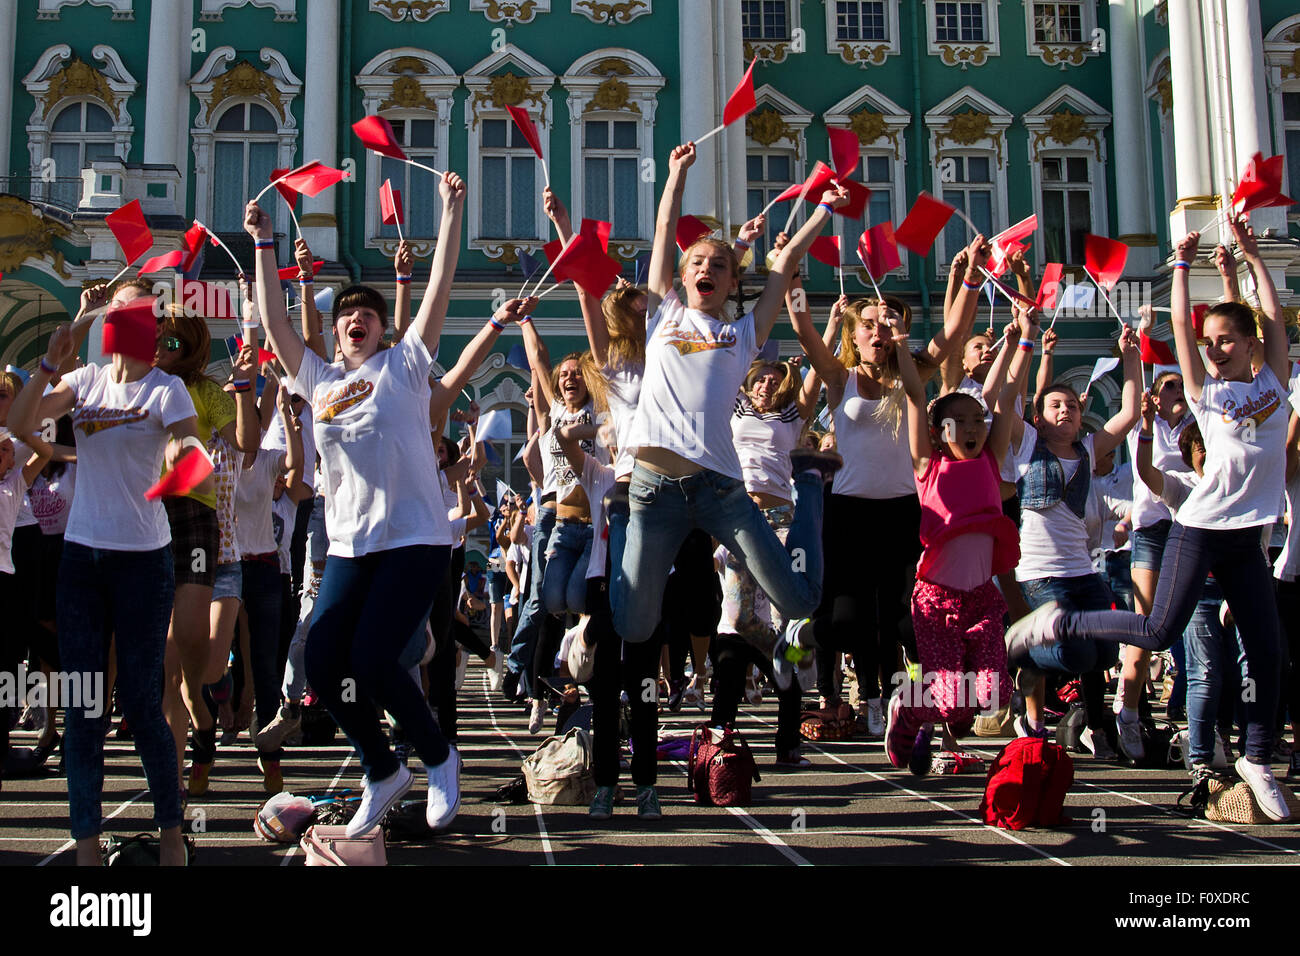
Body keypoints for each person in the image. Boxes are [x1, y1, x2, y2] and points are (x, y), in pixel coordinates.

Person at [244, 167, 529, 835]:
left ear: (380, 331)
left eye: (368, 315)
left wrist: (450, 212)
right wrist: (263, 245)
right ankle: (382, 769)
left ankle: (438, 755)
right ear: (337, 329)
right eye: (347, 315)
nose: (358, 321)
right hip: (347, 544)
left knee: (374, 658)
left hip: (413, 539)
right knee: (320, 662)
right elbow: (277, 324)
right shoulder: (316, 380)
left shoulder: (403, 366)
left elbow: (437, 288)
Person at [1007, 219, 1292, 821]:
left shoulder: (1274, 381)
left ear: (1250, 344)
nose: (1214, 349)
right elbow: (1184, 334)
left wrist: (1250, 256)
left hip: (1249, 538)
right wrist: (1183, 265)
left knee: (1270, 654)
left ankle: (1257, 759)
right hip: (1200, 527)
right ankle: (1063, 624)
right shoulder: (1205, 393)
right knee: (1159, 632)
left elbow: (1274, 317)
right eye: (1210, 341)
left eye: (1226, 340)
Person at [612, 142, 846, 654]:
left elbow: (784, 266)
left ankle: (809, 486)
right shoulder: (662, 315)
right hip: (652, 494)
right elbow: (661, 233)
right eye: (698, 261)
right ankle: (616, 517)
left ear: (730, 281)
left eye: (719, 265)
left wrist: (824, 209)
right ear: (683, 275)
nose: (708, 269)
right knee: (634, 625)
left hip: (722, 490)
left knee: (801, 601)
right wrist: (674, 174)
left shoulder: (743, 336)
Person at [11, 289, 206, 866]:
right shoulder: (88, 380)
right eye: (118, 308)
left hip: (144, 560)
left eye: (139, 310)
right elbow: (22, 423)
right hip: (82, 559)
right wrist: (53, 358)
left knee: (142, 700)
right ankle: (87, 844)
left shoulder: (165, 388)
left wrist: (177, 462)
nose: (127, 316)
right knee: (83, 703)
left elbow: (190, 449)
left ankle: (171, 832)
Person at [785, 235, 990, 726]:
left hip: (903, 511)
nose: (878, 332)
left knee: (905, 618)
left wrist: (972, 275)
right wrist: (791, 273)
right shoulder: (840, 378)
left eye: (887, 325)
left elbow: (957, 329)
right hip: (848, 512)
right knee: (848, 619)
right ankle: (830, 665)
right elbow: (801, 324)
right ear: (854, 337)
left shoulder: (913, 374)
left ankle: (903, 700)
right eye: (869, 327)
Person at [883, 304, 1022, 775]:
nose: (970, 429)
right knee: (948, 698)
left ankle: (918, 711)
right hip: (937, 600)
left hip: (981, 599)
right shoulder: (929, 466)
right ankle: (911, 708)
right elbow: (915, 396)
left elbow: (1001, 398)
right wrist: (902, 345)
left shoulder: (990, 461)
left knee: (992, 695)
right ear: (939, 433)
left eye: (976, 422)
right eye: (958, 422)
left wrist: (1020, 340)